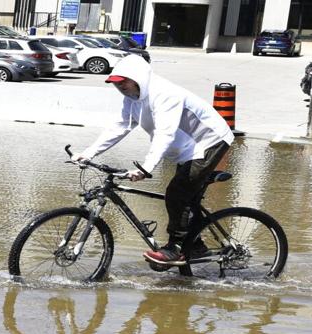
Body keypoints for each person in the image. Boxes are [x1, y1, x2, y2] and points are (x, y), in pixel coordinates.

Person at [76, 56, 234, 266]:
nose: (119, 86)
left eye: (123, 81)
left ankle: (175, 248)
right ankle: (195, 245)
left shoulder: (165, 93)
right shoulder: (132, 97)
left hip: (208, 142)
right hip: (185, 149)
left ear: (138, 78)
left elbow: (164, 134)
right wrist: (89, 153)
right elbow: (120, 127)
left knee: (177, 193)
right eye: (115, 82)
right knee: (188, 199)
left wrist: (146, 168)